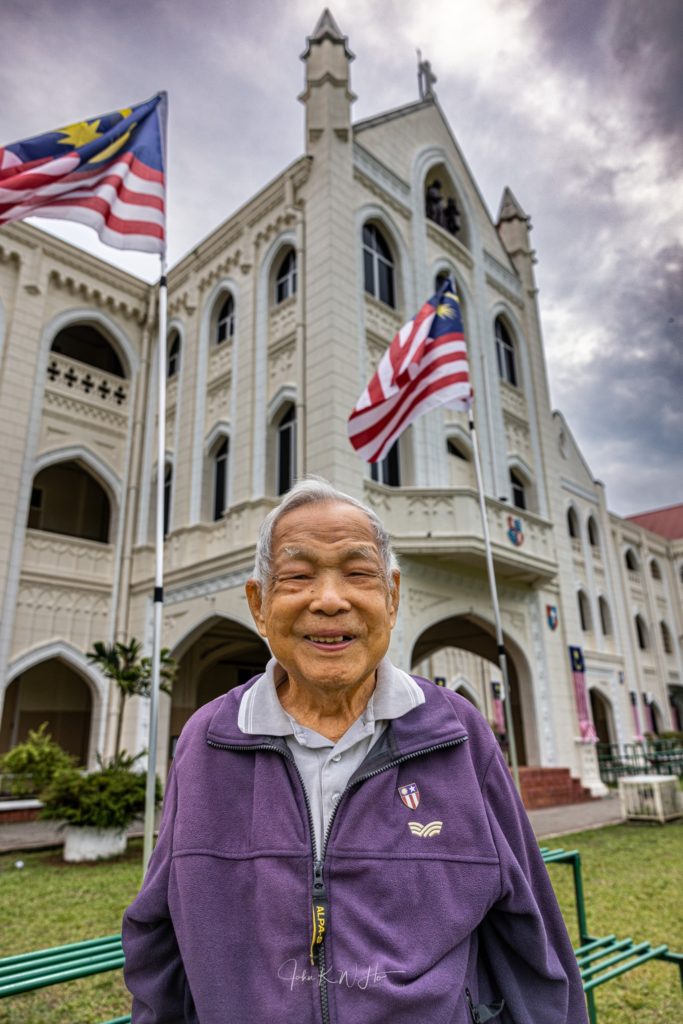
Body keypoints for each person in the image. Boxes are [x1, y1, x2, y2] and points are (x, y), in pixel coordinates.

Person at [122, 477, 588, 1024]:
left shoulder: (457, 733)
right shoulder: (208, 741)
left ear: (391, 599)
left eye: (358, 573)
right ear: (259, 603)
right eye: (297, 576)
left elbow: (529, 932)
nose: (329, 600)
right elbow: (159, 938)